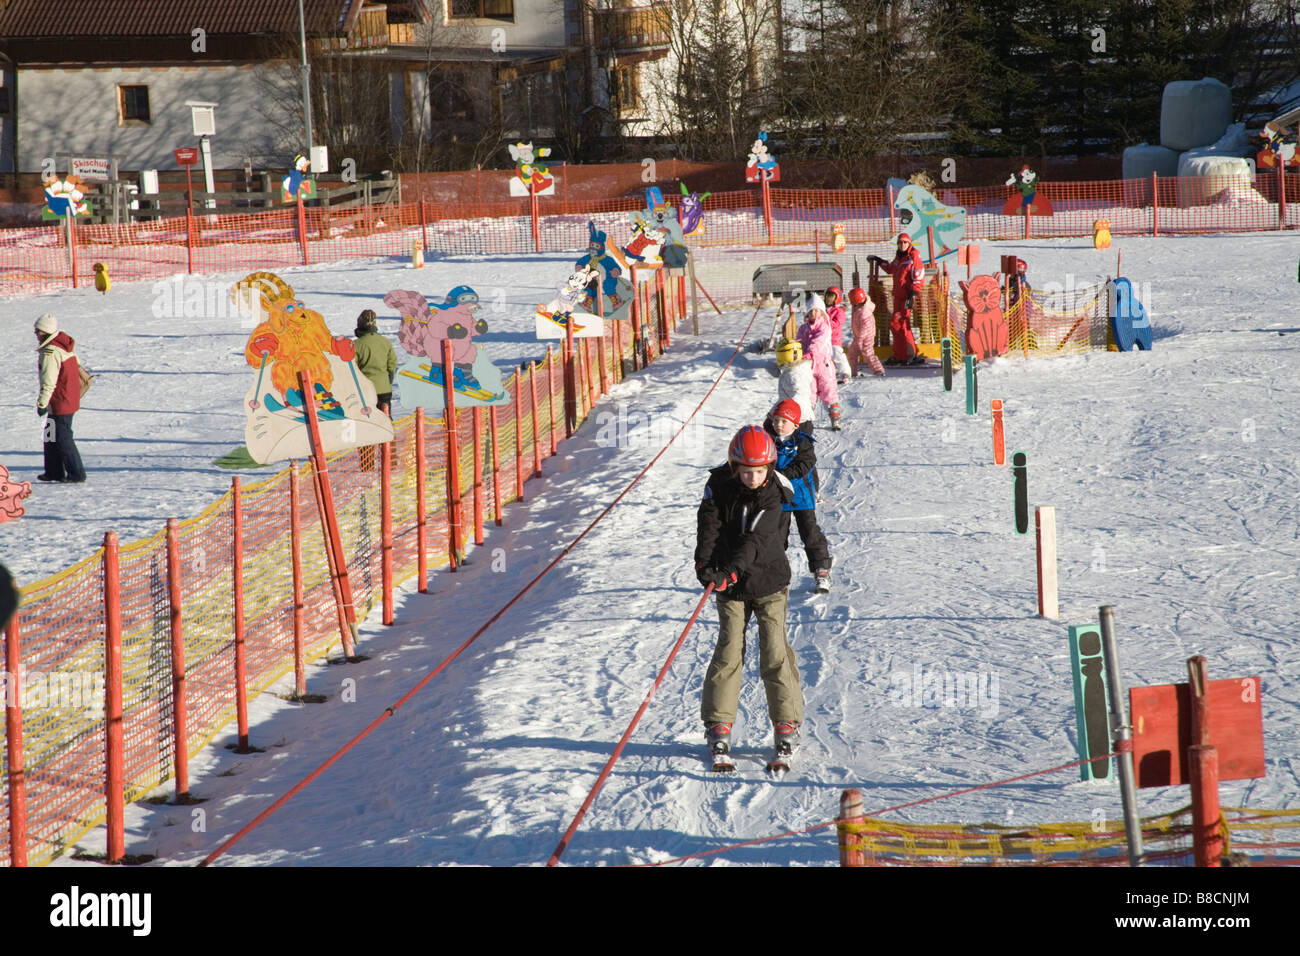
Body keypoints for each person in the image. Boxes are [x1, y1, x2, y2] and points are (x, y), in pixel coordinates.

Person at [695, 425, 804, 768]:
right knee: (728, 651)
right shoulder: (718, 487)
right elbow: (708, 528)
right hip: (732, 589)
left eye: (759, 471)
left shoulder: (774, 493)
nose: (753, 478)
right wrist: (705, 566)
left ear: (769, 468)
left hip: (769, 582)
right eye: (746, 472)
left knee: (774, 652)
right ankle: (718, 724)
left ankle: (786, 722)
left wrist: (728, 571)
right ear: (734, 467)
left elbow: (755, 541)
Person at [764, 399, 832, 592]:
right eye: (776, 420)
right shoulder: (768, 440)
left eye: (783, 421)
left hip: (801, 496)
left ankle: (821, 570)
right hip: (777, 497)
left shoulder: (803, 442)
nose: (778, 425)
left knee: (809, 532)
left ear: (795, 424)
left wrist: (780, 476)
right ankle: (774, 572)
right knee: (776, 535)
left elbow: (805, 463)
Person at [34, 313, 86, 483]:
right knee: (50, 435)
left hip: (60, 402)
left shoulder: (50, 352)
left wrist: (42, 403)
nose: (35, 333)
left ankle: (76, 474)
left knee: (63, 438)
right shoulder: (64, 346)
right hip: (68, 398)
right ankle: (53, 472)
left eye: (37, 330)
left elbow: (48, 381)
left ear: (45, 332)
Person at [869, 232, 926, 366]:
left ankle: (909, 355)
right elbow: (891, 269)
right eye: (900, 242)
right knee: (897, 326)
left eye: (905, 242)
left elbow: (919, 276)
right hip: (898, 297)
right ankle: (901, 355)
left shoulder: (913, 258)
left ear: (910, 243)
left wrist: (912, 295)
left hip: (907, 297)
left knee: (900, 325)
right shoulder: (899, 258)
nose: (902, 245)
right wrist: (880, 261)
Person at [796, 294, 841, 429]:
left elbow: (818, 343)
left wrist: (807, 353)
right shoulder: (803, 328)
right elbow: (799, 342)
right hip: (808, 366)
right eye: (811, 311)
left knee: (828, 391)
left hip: (824, 365)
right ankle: (807, 419)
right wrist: (795, 351)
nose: (814, 313)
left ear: (822, 312)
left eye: (817, 310)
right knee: (810, 392)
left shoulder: (825, 327)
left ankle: (835, 416)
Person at [352, 309, 396, 415]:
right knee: (385, 419)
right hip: (384, 388)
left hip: (365, 390)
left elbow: (353, 368)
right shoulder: (385, 342)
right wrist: (388, 379)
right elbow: (392, 364)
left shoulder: (355, 345)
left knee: (369, 422)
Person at [775, 339, 815, 431]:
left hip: (797, 420)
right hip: (793, 418)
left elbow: (798, 397)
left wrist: (781, 412)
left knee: (802, 444)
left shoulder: (794, 375)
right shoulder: (796, 370)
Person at [848, 286, 886, 377]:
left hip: (866, 337)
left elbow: (865, 327)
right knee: (852, 353)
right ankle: (852, 372)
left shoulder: (864, 311)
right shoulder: (858, 309)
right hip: (859, 337)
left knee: (868, 354)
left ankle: (878, 371)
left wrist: (860, 338)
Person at [824, 286, 853, 384]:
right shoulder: (822, 309)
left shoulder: (839, 311)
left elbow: (837, 323)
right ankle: (830, 373)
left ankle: (846, 373)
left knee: (838, 356)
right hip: (823, 339)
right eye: (827, 296)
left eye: (831, 297)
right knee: (825, 357)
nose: (829, 299)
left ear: (837, 298)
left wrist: (825, 321)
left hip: (834, 340)